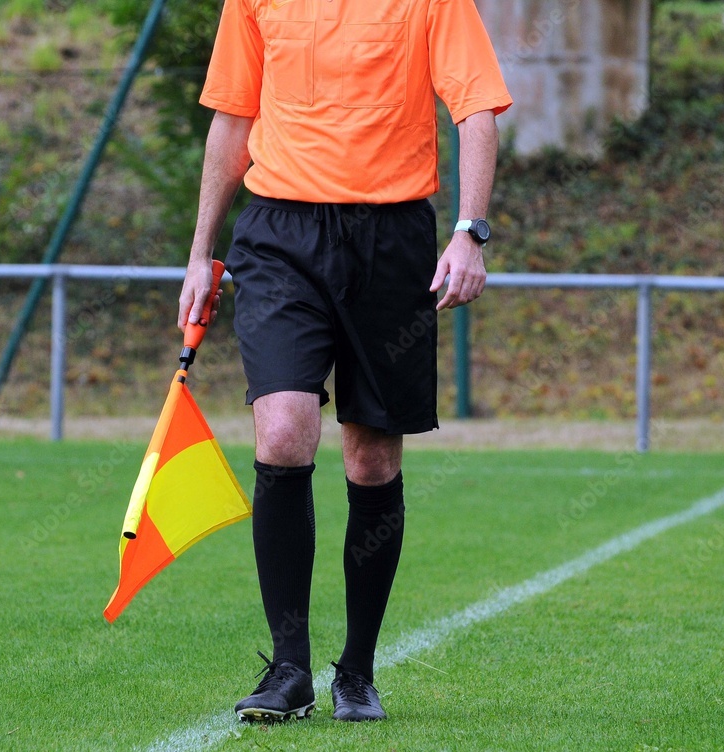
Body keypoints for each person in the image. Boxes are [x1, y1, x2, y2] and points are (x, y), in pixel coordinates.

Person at [177, 0, 512, 724]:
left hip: (390, 236)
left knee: (371, 460)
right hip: (279, 232)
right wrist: (201, 252)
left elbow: (477, 110)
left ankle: (357, 673)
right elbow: (232, 118)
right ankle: (289, 668)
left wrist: (470, 233)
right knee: (282, 432)